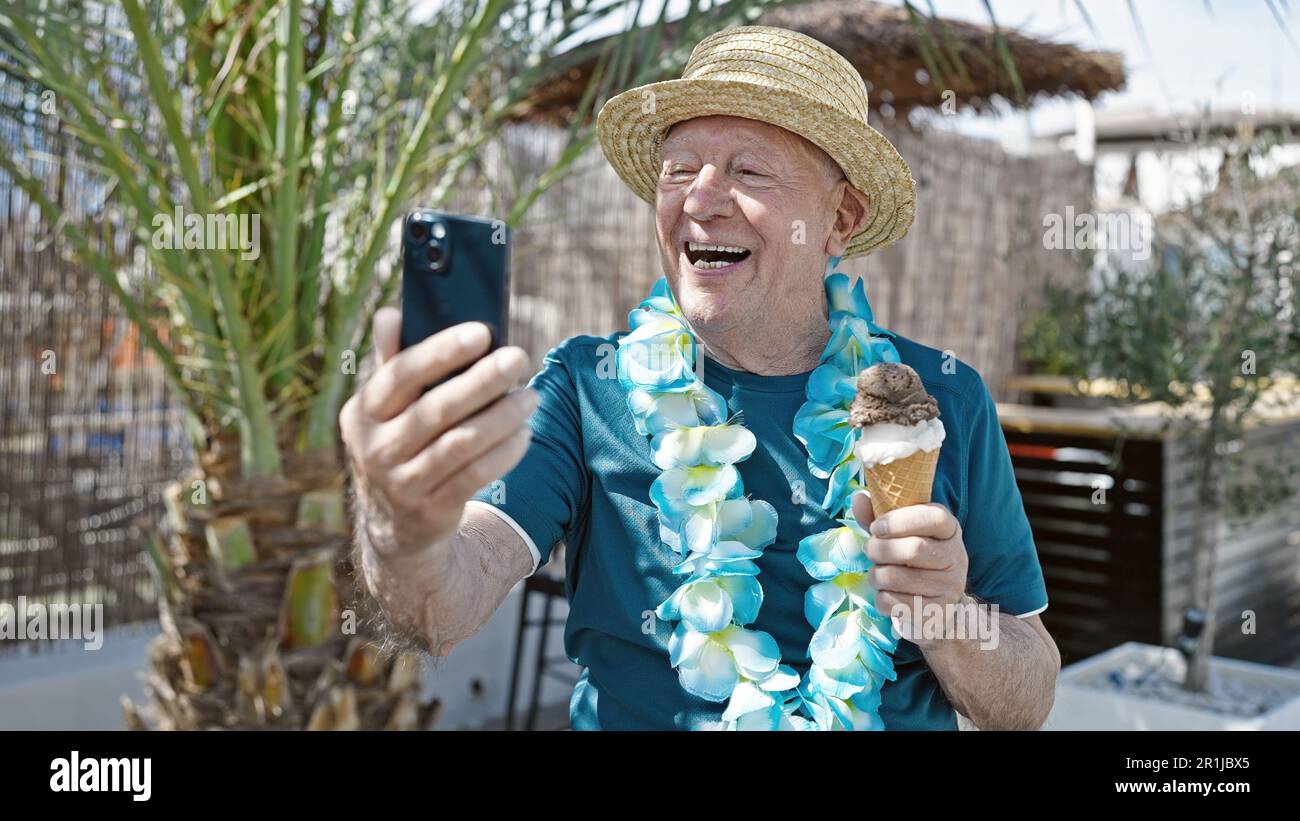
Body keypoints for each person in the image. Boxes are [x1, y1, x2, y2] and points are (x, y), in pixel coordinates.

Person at [340, 26, 1060, 730]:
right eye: (679, 170)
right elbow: (443, 604)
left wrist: (946, 613)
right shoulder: (587, 388)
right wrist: (400, 527)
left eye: (748, 171)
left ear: (838, 220)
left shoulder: (939, 398)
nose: (700, 199)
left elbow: (1027, 700)